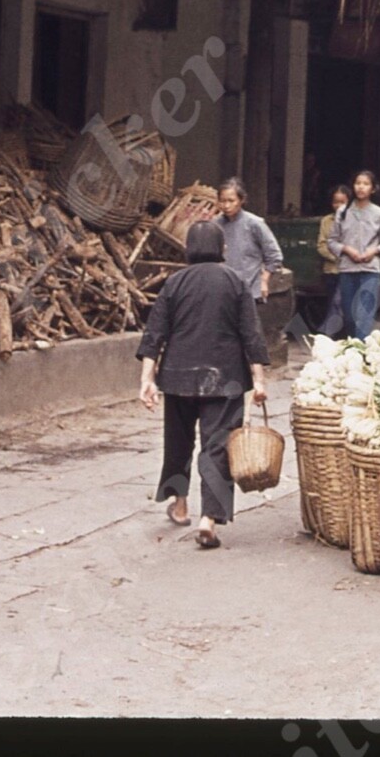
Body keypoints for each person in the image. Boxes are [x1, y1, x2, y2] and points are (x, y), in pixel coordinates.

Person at [136, 221, 270, 550]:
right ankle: (209, 518)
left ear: (189, 250)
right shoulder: (236, 282)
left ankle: (180, 504)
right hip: (225, 378)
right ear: (222, 249)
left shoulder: (174, 283)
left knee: (178, 442)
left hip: (179, 375)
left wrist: (147, 380)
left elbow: (155, 334)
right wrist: (259, 380)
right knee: (218, 446)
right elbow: (251, 334)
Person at [326, 171, 380, 341]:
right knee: (348, 315)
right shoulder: (343, 212)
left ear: (373, 189)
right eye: (357, 183)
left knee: (364, 315)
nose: (361, 187)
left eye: (365, 184)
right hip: (348, 268)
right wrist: (347, 249)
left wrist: (374, 251)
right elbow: (332, 241)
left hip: (370, 270)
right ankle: (352, 349)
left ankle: (362, 353)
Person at [212, 177, 284, 304]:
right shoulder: (215, 224)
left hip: (250, 291)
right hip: (223, 290)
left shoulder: (254, 224)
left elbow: (274, 254)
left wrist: (264, 280)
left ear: (242, 200)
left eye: (231, 201)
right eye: (223, 201)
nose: (226, 205)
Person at [315, 185, 352, 336]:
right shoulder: (326, 221)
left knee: (342, 304)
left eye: (342, 202)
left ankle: (329, 333)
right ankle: (333, 336)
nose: (338, 206)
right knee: (333, 302)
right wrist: (336, 257)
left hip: (349, 269)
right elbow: (321, 245)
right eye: (335, 202)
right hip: (331, 269)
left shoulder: (354, 221)